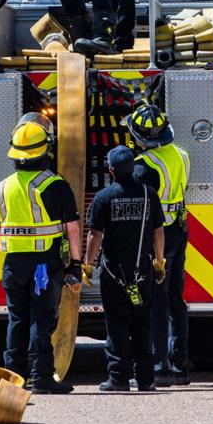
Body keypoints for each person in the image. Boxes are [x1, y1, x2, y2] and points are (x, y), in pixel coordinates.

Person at [0, 117, 81, 394]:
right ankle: (41, 377)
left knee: (17, 319)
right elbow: (72, 230)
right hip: (43, 265)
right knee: (42, 319)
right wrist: (74, 265)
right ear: (47, 150)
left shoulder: (1, 187)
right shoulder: (56, 185)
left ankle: (14, 378)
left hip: (13, 264)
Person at [84, 145, 166, 392]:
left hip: (113, 274)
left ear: (110, 170)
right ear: (134, 168)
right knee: (142, 326)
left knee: (117, 326)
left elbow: (95, 235)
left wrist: (87, 265)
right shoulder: (148, 194)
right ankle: (145, 379)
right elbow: (158, 232)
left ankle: (118, 378)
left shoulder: (104, 197)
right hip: (143, 271)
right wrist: (159, 262)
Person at [126, 103, 191, 386]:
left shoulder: (143, 167)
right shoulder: (181, 154)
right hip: (178, 228)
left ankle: (158, 362)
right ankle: (179, 362)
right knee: (175, 297)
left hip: (157, 236)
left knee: (155, 300)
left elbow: (141, 206)